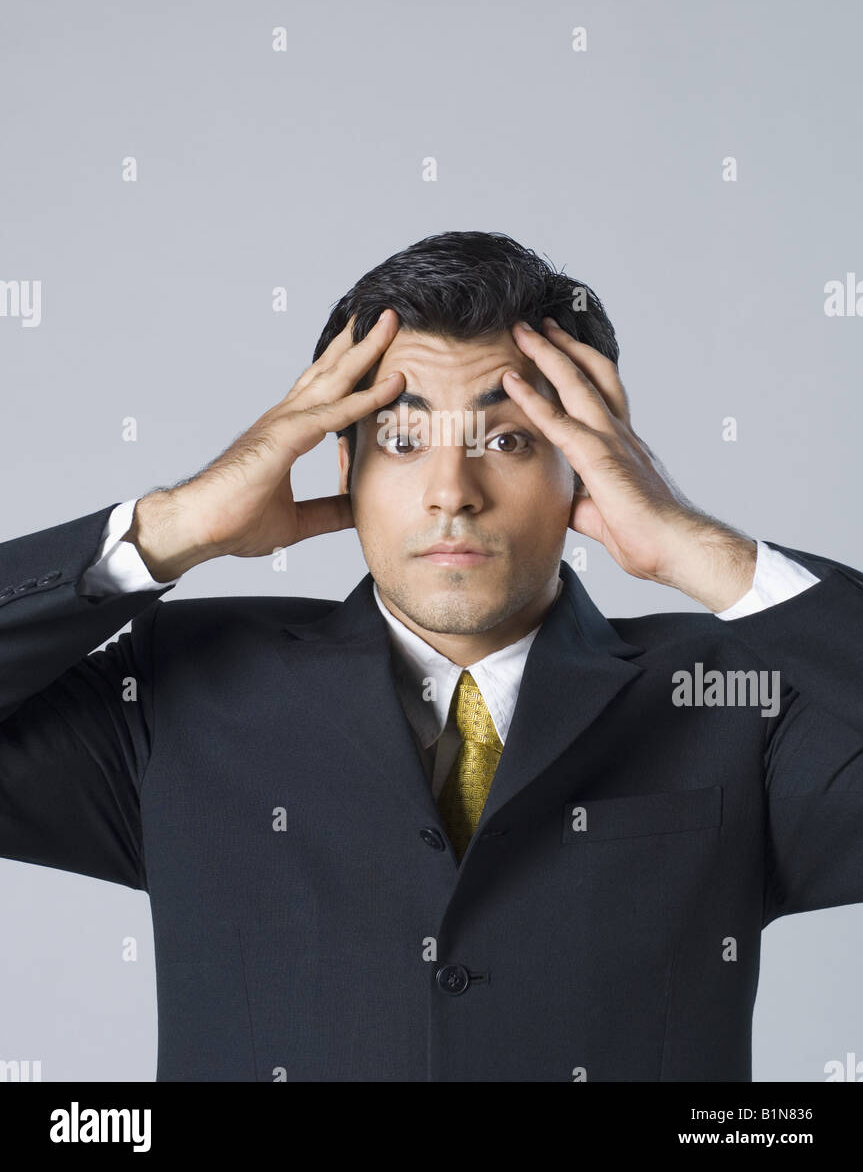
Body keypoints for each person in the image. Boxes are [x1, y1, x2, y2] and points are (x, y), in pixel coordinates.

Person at [1, 230, 861, 1083]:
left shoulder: (730, 700)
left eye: (509, 441)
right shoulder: (180, 687)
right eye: (404, 441)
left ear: (588, 470)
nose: (453, 491)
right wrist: (171, 529)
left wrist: (699, 549)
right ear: (344, 461)